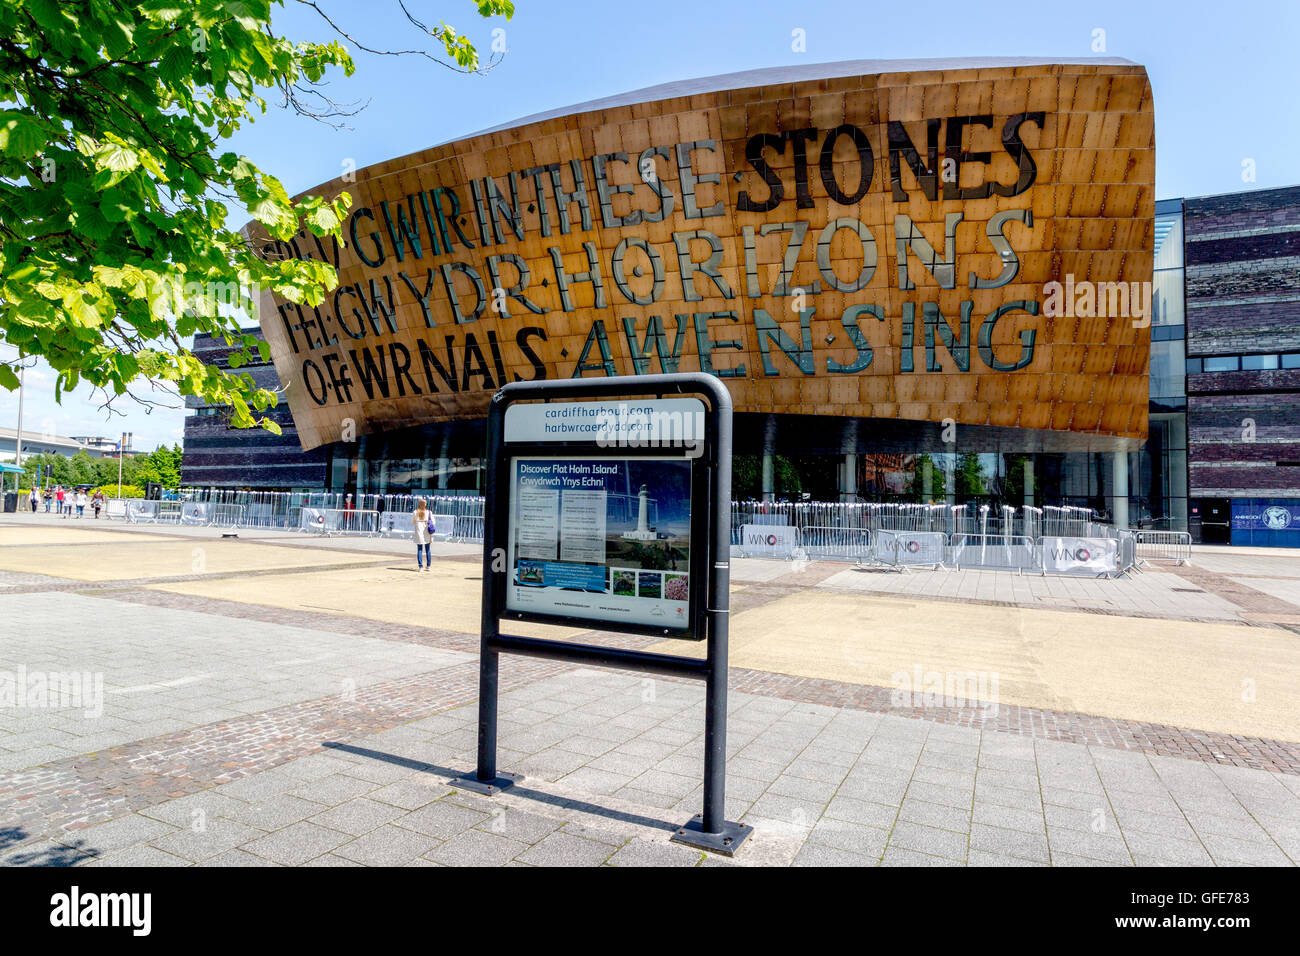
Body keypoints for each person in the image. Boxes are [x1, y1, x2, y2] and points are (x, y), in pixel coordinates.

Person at [411, 497, 433, 571]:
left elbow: (413, 522)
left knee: (419, 549)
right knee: (428, 549)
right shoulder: (429, 512)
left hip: (419, 531)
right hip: (427, 532)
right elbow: (433, 522)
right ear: (425, 504)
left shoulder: (415, 512)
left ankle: (420, 567)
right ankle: (428, 566)